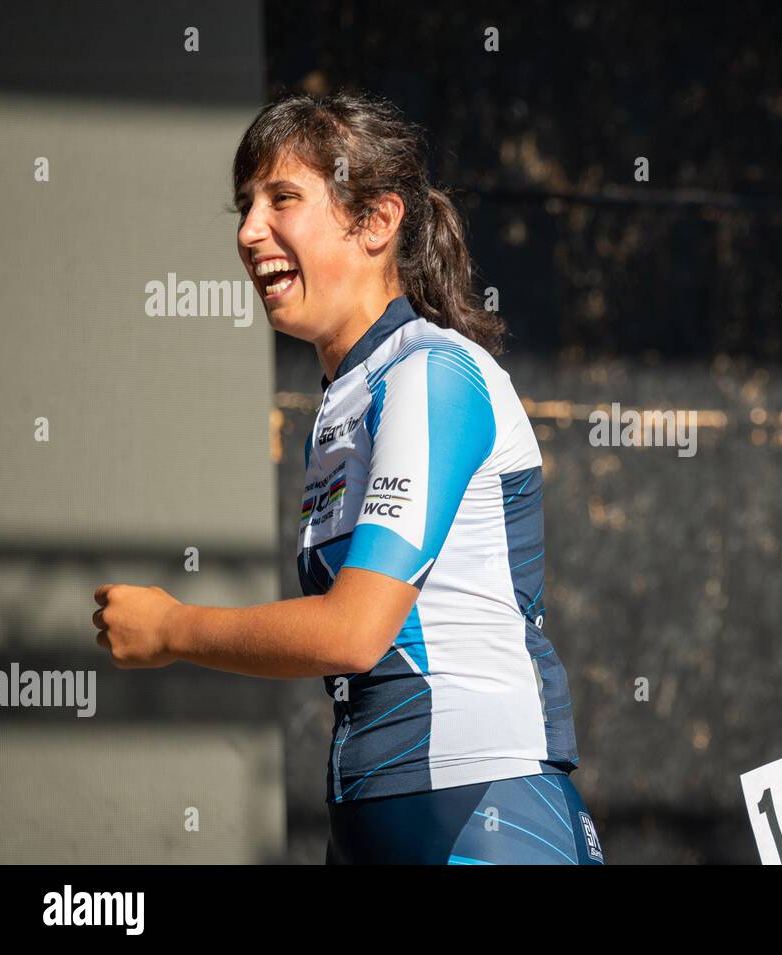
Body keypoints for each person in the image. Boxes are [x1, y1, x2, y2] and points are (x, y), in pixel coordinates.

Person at [92, 91, 604, 865]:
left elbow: (353, 631)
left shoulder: (431, 373)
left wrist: (172, 628)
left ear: (375, 222)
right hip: (374, 814)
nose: (248, 230)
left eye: (282, 199)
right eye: (243, 205)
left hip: (481, 809)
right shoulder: (349, 399)